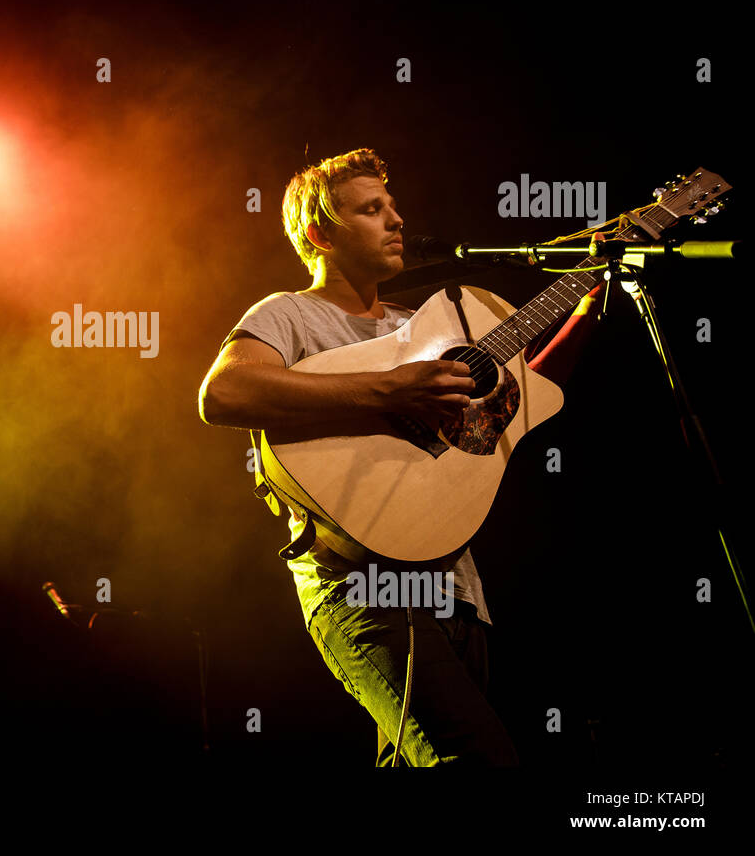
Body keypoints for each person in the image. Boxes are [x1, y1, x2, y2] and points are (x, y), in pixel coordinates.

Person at [197, 147, 601, 765]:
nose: (397, 220)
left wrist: (585, 309)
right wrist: (391, 389)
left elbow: (521, 405)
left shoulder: (425, 325)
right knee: (482, 762)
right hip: (362, 585)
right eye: (372, 208)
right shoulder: (288, 313)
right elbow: (224, 393)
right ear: (318, 234)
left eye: (393, 205)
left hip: (457, 589)